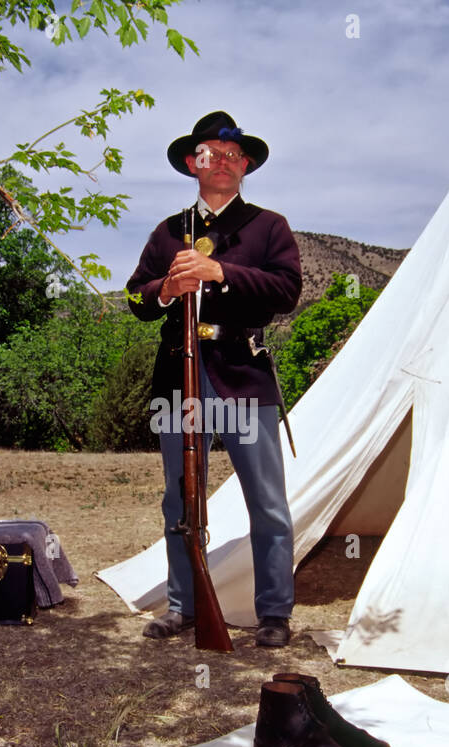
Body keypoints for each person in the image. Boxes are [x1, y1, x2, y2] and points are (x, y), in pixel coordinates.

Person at [126, 111, 301, 647]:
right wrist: (164, 290)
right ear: (191, 163)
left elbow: (286, 291)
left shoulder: (268, 225)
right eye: (209, 154)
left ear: (245, 164)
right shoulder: (168, 231)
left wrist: (220, 272)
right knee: (180, 500)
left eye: (232, 155)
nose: (221, 162)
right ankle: (183, 605)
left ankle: (274, 613)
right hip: (179, 376)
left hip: (243, 376)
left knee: (266, 501)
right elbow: (135, 297)